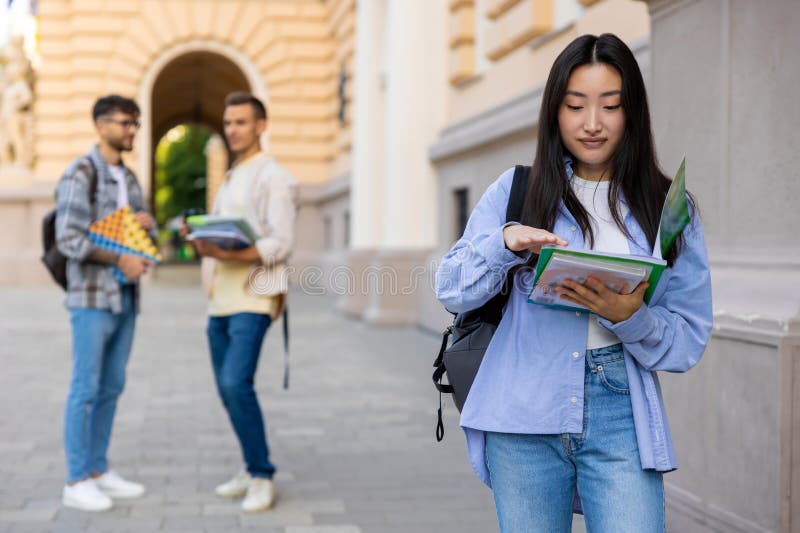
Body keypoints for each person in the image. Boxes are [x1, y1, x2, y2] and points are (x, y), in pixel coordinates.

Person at [435, 34, 713, 533]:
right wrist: (507, 242)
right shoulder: (515, 190)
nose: (592, 123)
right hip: (521, 409)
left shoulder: (668, 209)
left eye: (610, 105)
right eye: (575, 105)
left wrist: (634, 318)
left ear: (633, 113)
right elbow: (452, 289)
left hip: (619, 409)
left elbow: (688, 338)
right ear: (553, 111)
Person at [190, 92, 298, 512]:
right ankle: (249, 465)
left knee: (237, 383)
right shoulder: (233, 175)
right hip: (219, 296)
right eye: (228, 122)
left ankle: (262, 475)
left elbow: (282, 242)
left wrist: (229, 253)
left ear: (261, 126)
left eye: (241, 122)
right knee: (227, 389)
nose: (232, 129)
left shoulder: (275, 177)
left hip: (254, 296)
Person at [56, 95, 155, 511]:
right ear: (101, 125)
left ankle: (98, 469)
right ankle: (76, 479)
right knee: (86, 387)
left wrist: (143, 228)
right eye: (125, 123)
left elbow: (133, 229)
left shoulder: (129, 179)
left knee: (113, 385)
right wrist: (119, 256)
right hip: (92, 298)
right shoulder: (81, 173)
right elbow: (69, 238)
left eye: (136, 123)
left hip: (126, 296)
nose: (132, 130)